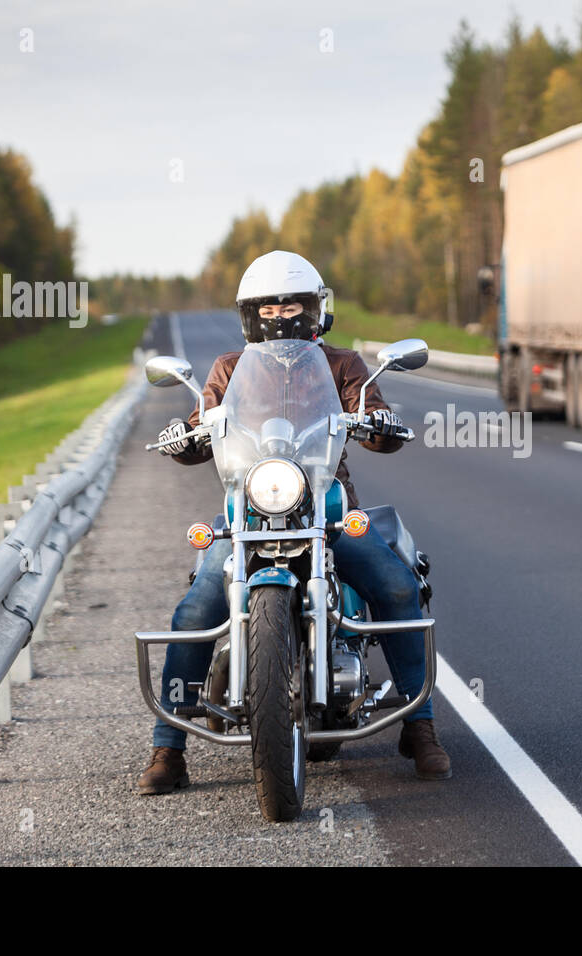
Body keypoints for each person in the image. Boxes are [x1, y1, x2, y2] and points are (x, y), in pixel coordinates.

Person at [136, 250, 450, 794]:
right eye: (270, 304)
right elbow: (202, 425)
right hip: (249, 509)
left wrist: (378, 421)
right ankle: (168, 745)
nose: (281, 313)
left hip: (329, 509)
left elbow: (374, 422)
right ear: (252, 314)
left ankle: (419, 727)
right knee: (195, 609)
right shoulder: (230, 370)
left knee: (396, 586)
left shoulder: (343, 364)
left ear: (315, 308)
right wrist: (182, 437)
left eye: (293, 303)